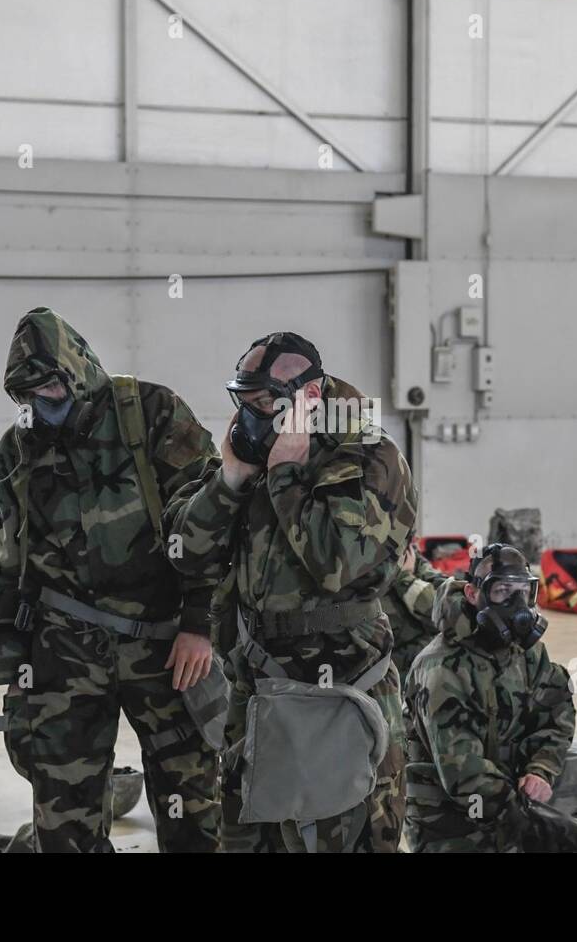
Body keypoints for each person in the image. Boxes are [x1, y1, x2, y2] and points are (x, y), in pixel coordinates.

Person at [166, 331, 416, 852]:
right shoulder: (251, 457)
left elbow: (335, 563)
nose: (252, 416)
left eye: (264, 403)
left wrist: (285, 473)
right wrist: (231, 478)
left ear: (308, 398)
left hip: (340, 687)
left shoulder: (368, 456)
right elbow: (185, 554)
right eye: (244, 403)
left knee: (341, 832)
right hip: (259, 689)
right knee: (250, 834)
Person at [0, 308, 221, 852]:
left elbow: (211, 522)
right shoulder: (18, 448)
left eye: (51, 385)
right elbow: (10, 561)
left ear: (78, 370)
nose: (44, 401)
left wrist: (200, 622)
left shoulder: (151, 413)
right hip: (64, 645)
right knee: (62, 805)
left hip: (166, 644)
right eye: (30, 394)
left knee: (191, 796)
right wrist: (12, 662)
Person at [402, 546, 575, 851]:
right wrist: (535, 823)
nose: (517, 604)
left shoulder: (527, 651)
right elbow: (463, 775)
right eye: (503, 591)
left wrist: (541, 769)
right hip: (451, 822)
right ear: (472, 593)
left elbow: (556, 714)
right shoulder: (443, 669)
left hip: (513, 794)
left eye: (524, 591)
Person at [382, 540, 447, 681]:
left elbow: (445, 611)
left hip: (418, 672)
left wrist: (404, 578)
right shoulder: (365, 562)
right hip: (387, 672)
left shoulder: (409, 555)